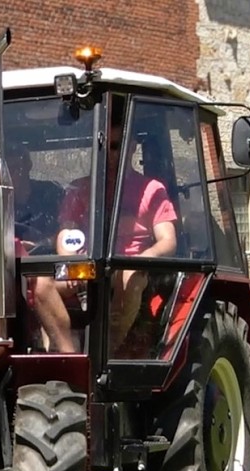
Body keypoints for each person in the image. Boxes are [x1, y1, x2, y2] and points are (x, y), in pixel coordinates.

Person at [53, 108, 178, 351]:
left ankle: (109, 352)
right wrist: (67, 261)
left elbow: (167, 240)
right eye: (104, 145)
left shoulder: (151, 190)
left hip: (128, 264)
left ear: (131, 147)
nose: (109, 153)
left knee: (127, 275)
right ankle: (62, 352)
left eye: (115, 145)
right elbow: (66, 232)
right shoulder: (81, 189)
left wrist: (145, 258)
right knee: (41, 285)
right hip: (86, 266)